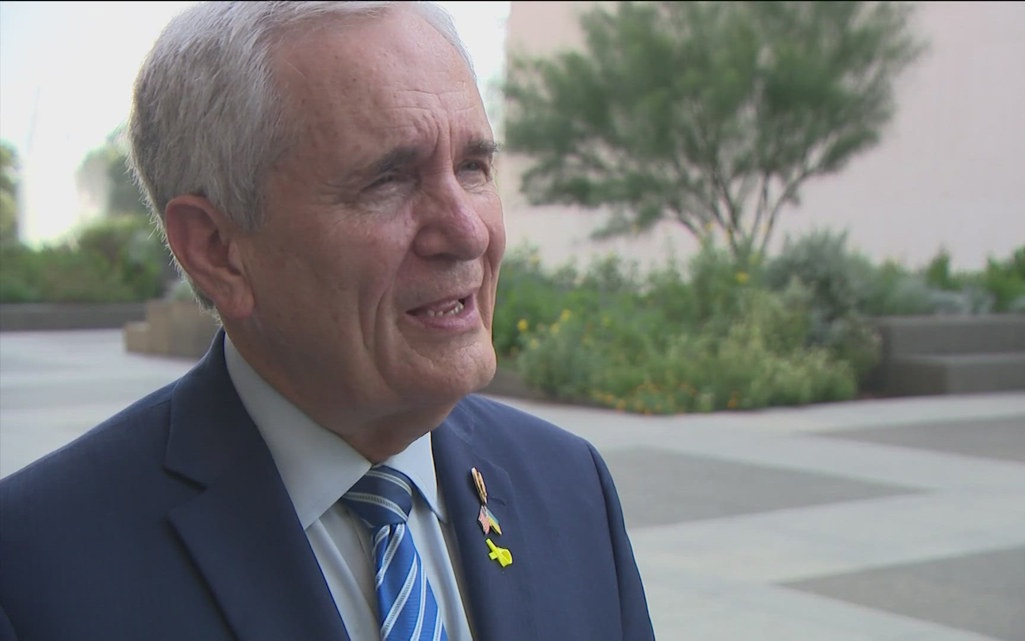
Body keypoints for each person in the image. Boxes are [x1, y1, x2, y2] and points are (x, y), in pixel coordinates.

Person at [0, 2, 656, 640]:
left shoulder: (571, 486)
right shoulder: (34, 568)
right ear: (218, 249)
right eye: (389, 179)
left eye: (473, 166)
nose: (466, 231)